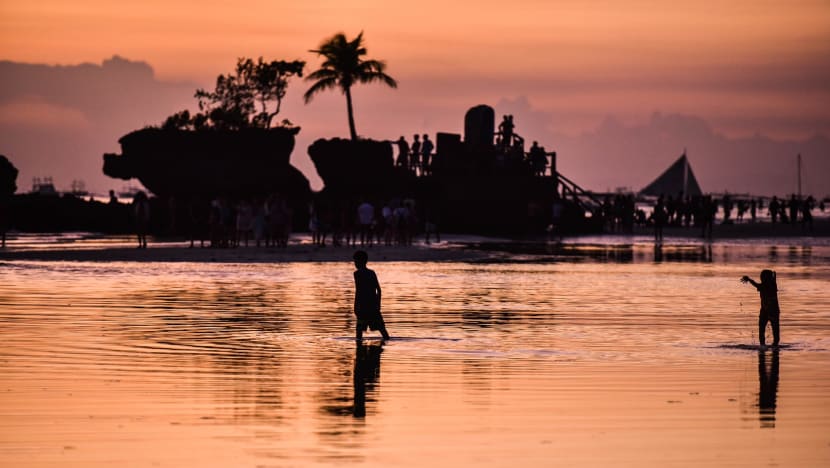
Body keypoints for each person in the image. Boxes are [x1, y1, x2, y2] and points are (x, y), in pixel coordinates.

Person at [352, 250, 390, 341]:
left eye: (355, 261)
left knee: (359, 334)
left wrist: (356, 306)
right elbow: (379, 290)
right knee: (383, 332)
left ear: (360, 262)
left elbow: (359, 292)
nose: (355, 263)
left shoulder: (357, 274)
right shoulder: (371, 273)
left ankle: (360, 353)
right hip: (373, 306)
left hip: (363, 308)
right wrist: (378, 305)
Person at [741, 269, 781, 347]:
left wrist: (749, 279)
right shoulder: (763, 285)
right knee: (761, 331)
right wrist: (749, 279)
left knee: (775, 335)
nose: (762, 278)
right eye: (762, 277)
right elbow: (756, 284)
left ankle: (773, 346)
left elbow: (757, 284)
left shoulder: (772, 285)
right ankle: (763, 346)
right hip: (764, 311)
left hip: (773, 312)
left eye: (764, 277)